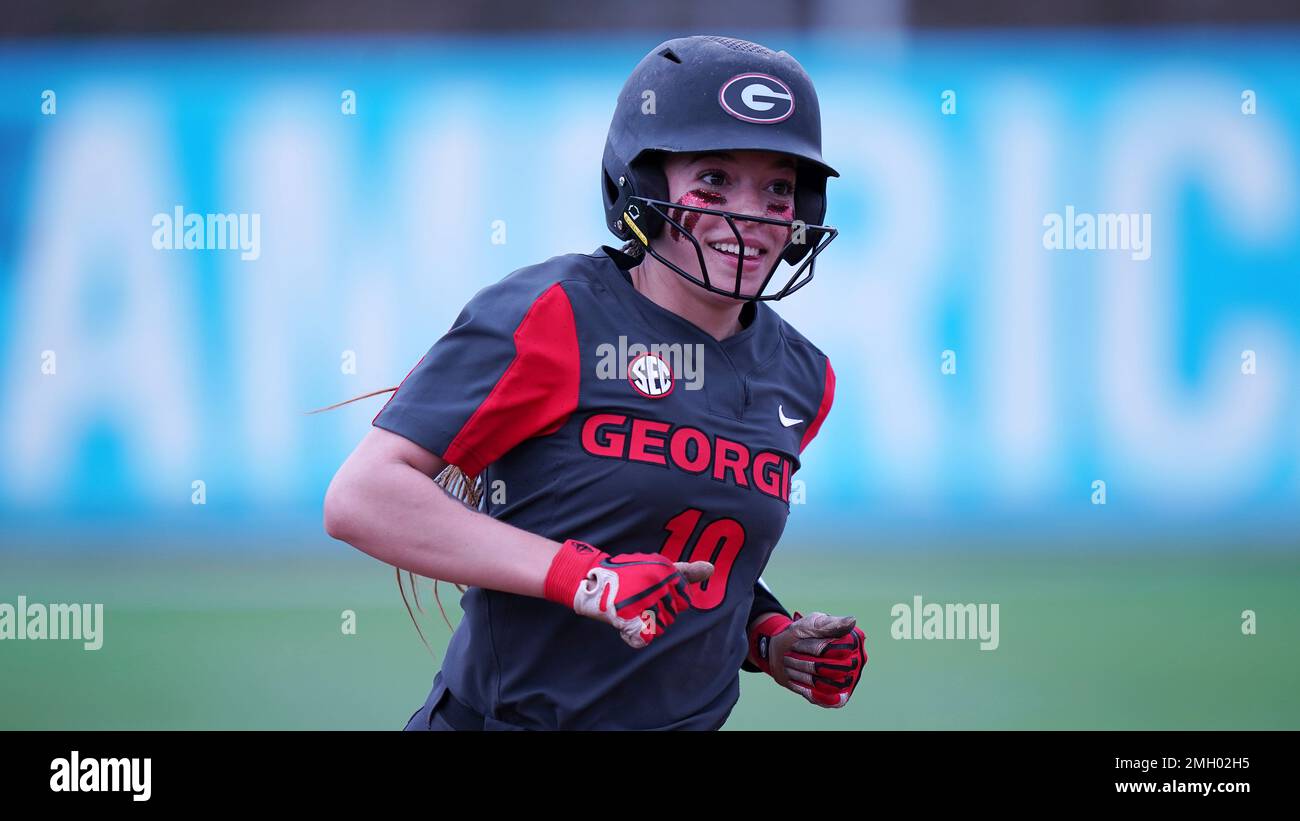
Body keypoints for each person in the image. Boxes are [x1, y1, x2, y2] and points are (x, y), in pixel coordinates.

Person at [323, 34, 867, 731]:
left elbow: (686, 547)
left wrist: (767, 635)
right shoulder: (555, 312)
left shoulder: (801, 377)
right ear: (640, 185)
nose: (749, 214)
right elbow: (361, 496)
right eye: (713, 179)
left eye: (778, 188)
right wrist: (584, 577)